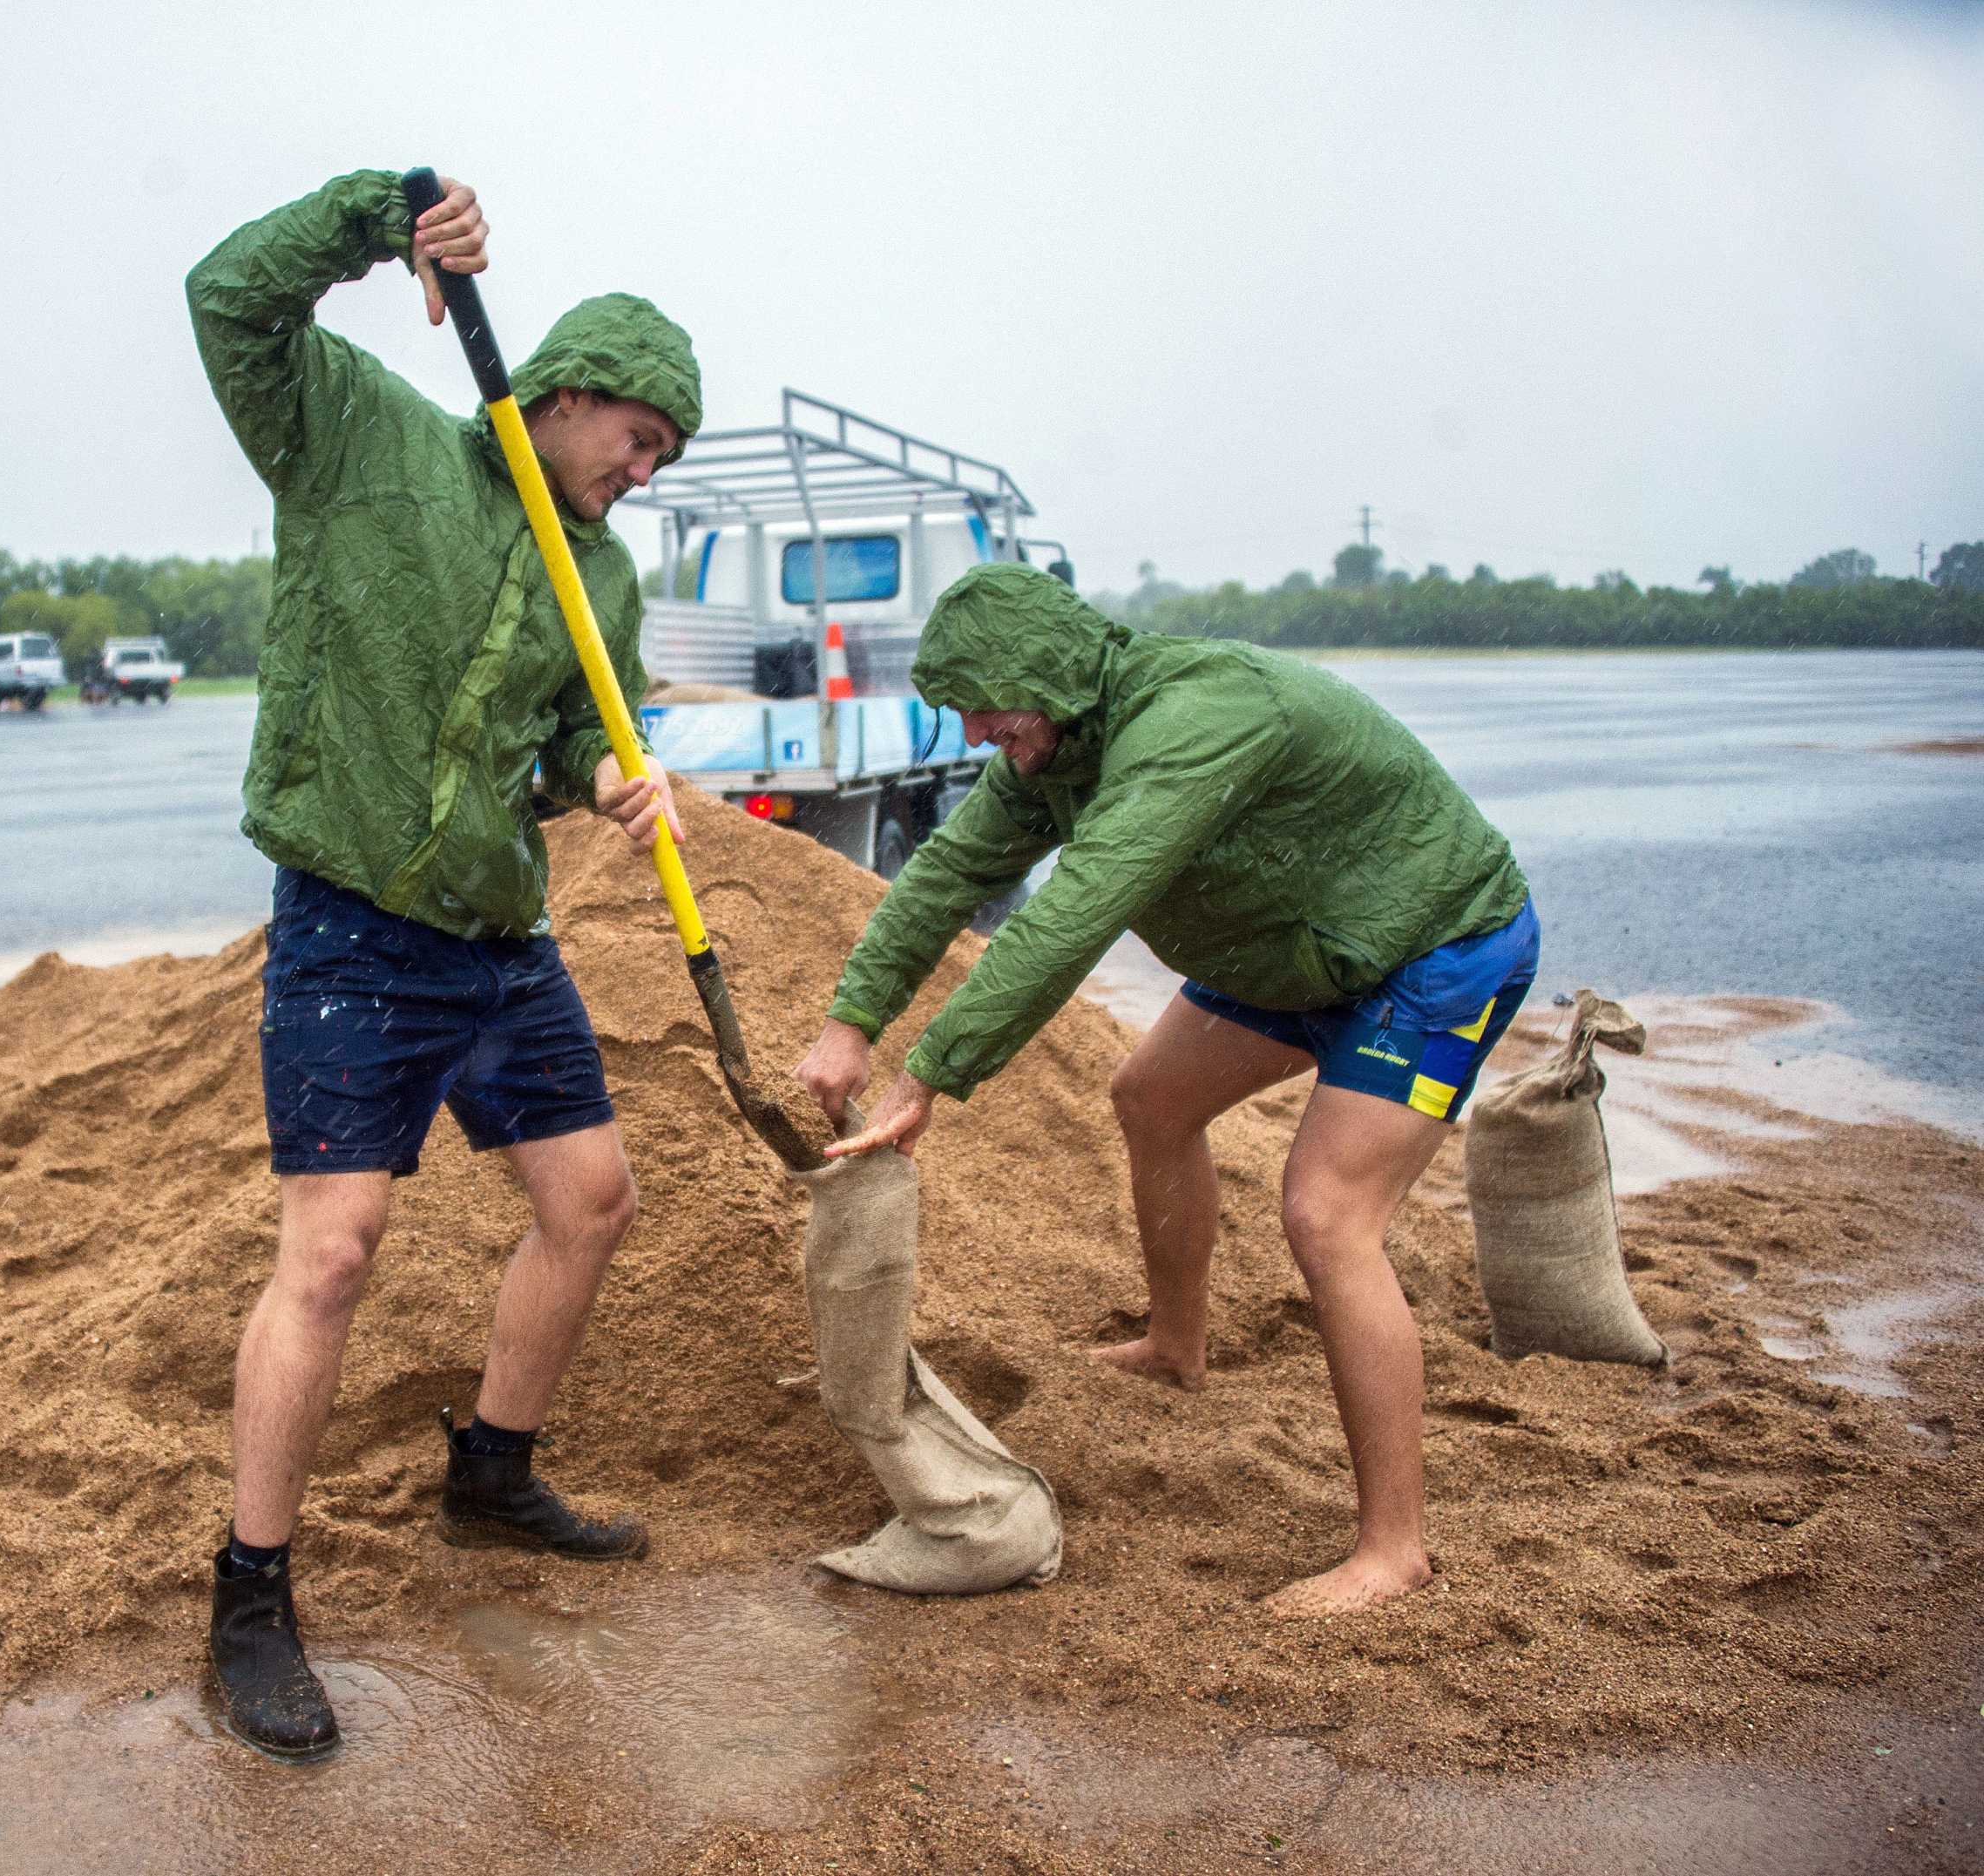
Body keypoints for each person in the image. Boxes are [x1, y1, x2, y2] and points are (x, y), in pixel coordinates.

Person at [185, 170, 701, 1760]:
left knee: (592, 1195)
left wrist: (606, 781)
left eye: (667, 458)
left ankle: (489, 1472)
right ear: (567, 391)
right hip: (351, 919)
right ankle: (250, 1600)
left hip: (500, 932)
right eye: (640, 438)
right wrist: (373, 220)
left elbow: (556, 738)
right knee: (332, 1253)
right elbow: (226, 298)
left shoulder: (600, 571)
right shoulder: (360, 433)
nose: (646, 470)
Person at [795, 562, 1538, 1618]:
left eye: (984, 711)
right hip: (1290, 948)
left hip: (1432, 943)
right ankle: (1177, 1346)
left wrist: (934, 1071)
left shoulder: (1195, 717)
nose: (972, 734)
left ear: (1044, 679)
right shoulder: (1056, 748)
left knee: (1328, 1215)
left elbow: (1079, 907)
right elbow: (947, 877)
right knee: (1150, 1097)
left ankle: (1394, 1549)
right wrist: (850, 1024)